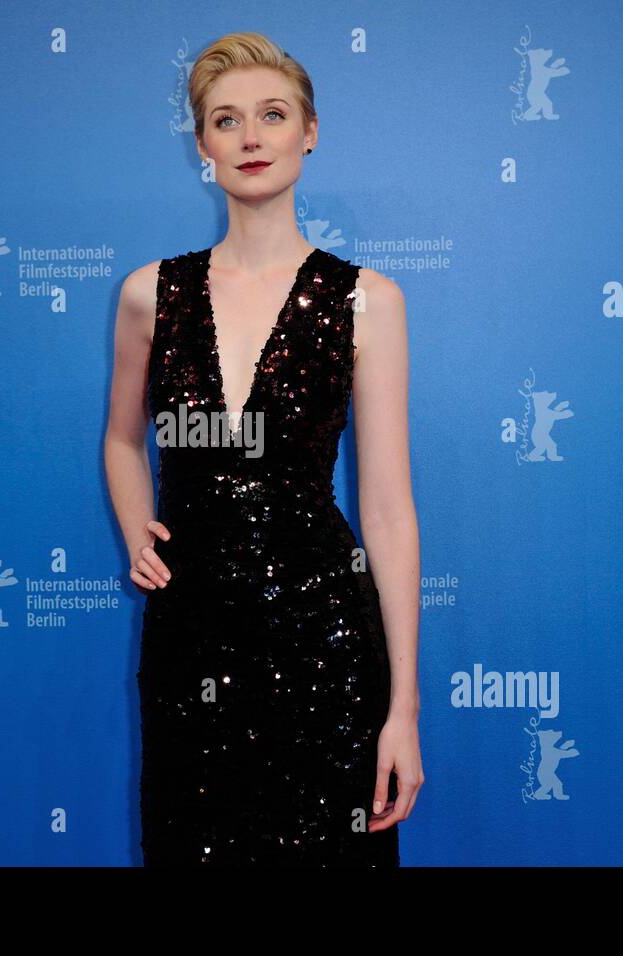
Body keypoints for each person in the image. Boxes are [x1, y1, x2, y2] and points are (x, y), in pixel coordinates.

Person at [104, 31, 423, 865]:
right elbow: (121, 439)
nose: (250, 137)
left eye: (272, 115)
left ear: (309, 131)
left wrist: (403, 713)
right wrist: (141, 527)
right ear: (201, 144)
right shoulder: (149, 294)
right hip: (193, 638)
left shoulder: (368, 302)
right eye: (225, 120)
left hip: (325, 640)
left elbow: (387, 512)